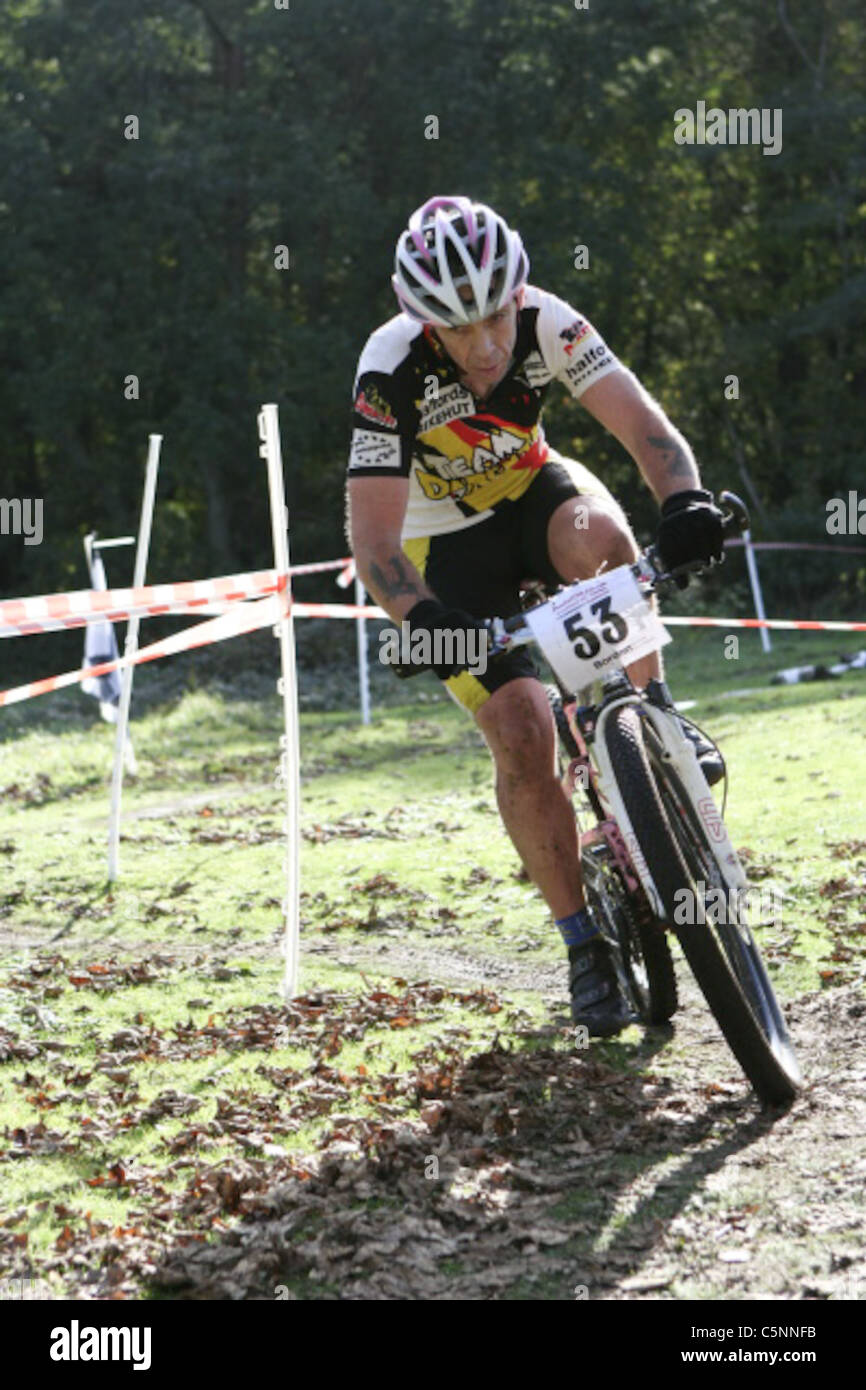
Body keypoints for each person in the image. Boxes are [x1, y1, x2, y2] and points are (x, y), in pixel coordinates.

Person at [345, 195, 724, 1037]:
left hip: (535, 497)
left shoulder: (551, 320)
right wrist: (422, 617)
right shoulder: (389, 367)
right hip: (445, 554)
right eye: (457, 329)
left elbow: (645, 430)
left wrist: (687, 501)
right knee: (521, 730)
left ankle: (655, 719)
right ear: (422, 323)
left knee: (607, 537)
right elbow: (372, 541)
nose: (483, 347)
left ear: (517, 294)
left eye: (494, 317)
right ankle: (583, 944)